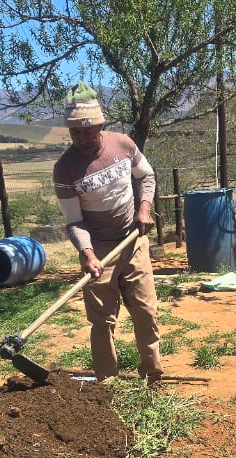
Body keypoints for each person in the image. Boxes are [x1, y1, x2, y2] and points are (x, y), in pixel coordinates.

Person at [52, 81, 163, 383]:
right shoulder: (66, 169)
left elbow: (147, 175)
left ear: (101, 124)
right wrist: (87, 254)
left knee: (145, 311)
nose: (82, 138)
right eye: (75, 132)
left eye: (88, 130)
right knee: (102, 321)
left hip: (133, 240)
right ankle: (107, 385)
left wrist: (144, 207)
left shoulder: (123, 144)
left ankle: (152, 376)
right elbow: (74, 222)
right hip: (98, 248)